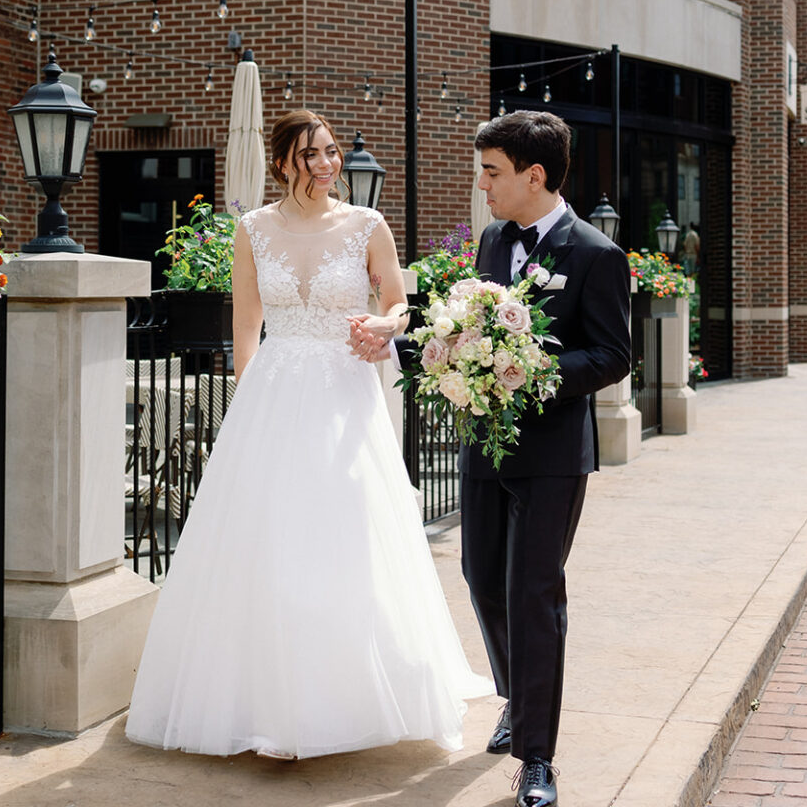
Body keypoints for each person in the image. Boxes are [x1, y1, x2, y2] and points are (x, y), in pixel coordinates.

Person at [126, 108, 489, 760]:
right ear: (283, 162)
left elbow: (398, 304)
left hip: (345, 393)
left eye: (329, 153)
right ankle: (262, 702)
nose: (326, 164)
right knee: (267, 537)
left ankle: (350, 696)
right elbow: (245, 323)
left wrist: (386, 327)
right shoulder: (252, 229)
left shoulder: (366, 226)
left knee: (344, 530)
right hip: (272, 393)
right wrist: (246, 397)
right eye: (311, 155)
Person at [352, 111, 631, 807]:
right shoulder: (490, 240)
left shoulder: (596, 253)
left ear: (533, 176)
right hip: (484, 446)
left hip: (553, 456)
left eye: (492, 172)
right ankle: (520, 694)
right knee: (482, 580)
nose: (482, 185)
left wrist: (529, 367)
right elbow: (473, 326)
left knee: (534, 595)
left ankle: (537, 756)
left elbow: (614, 356)